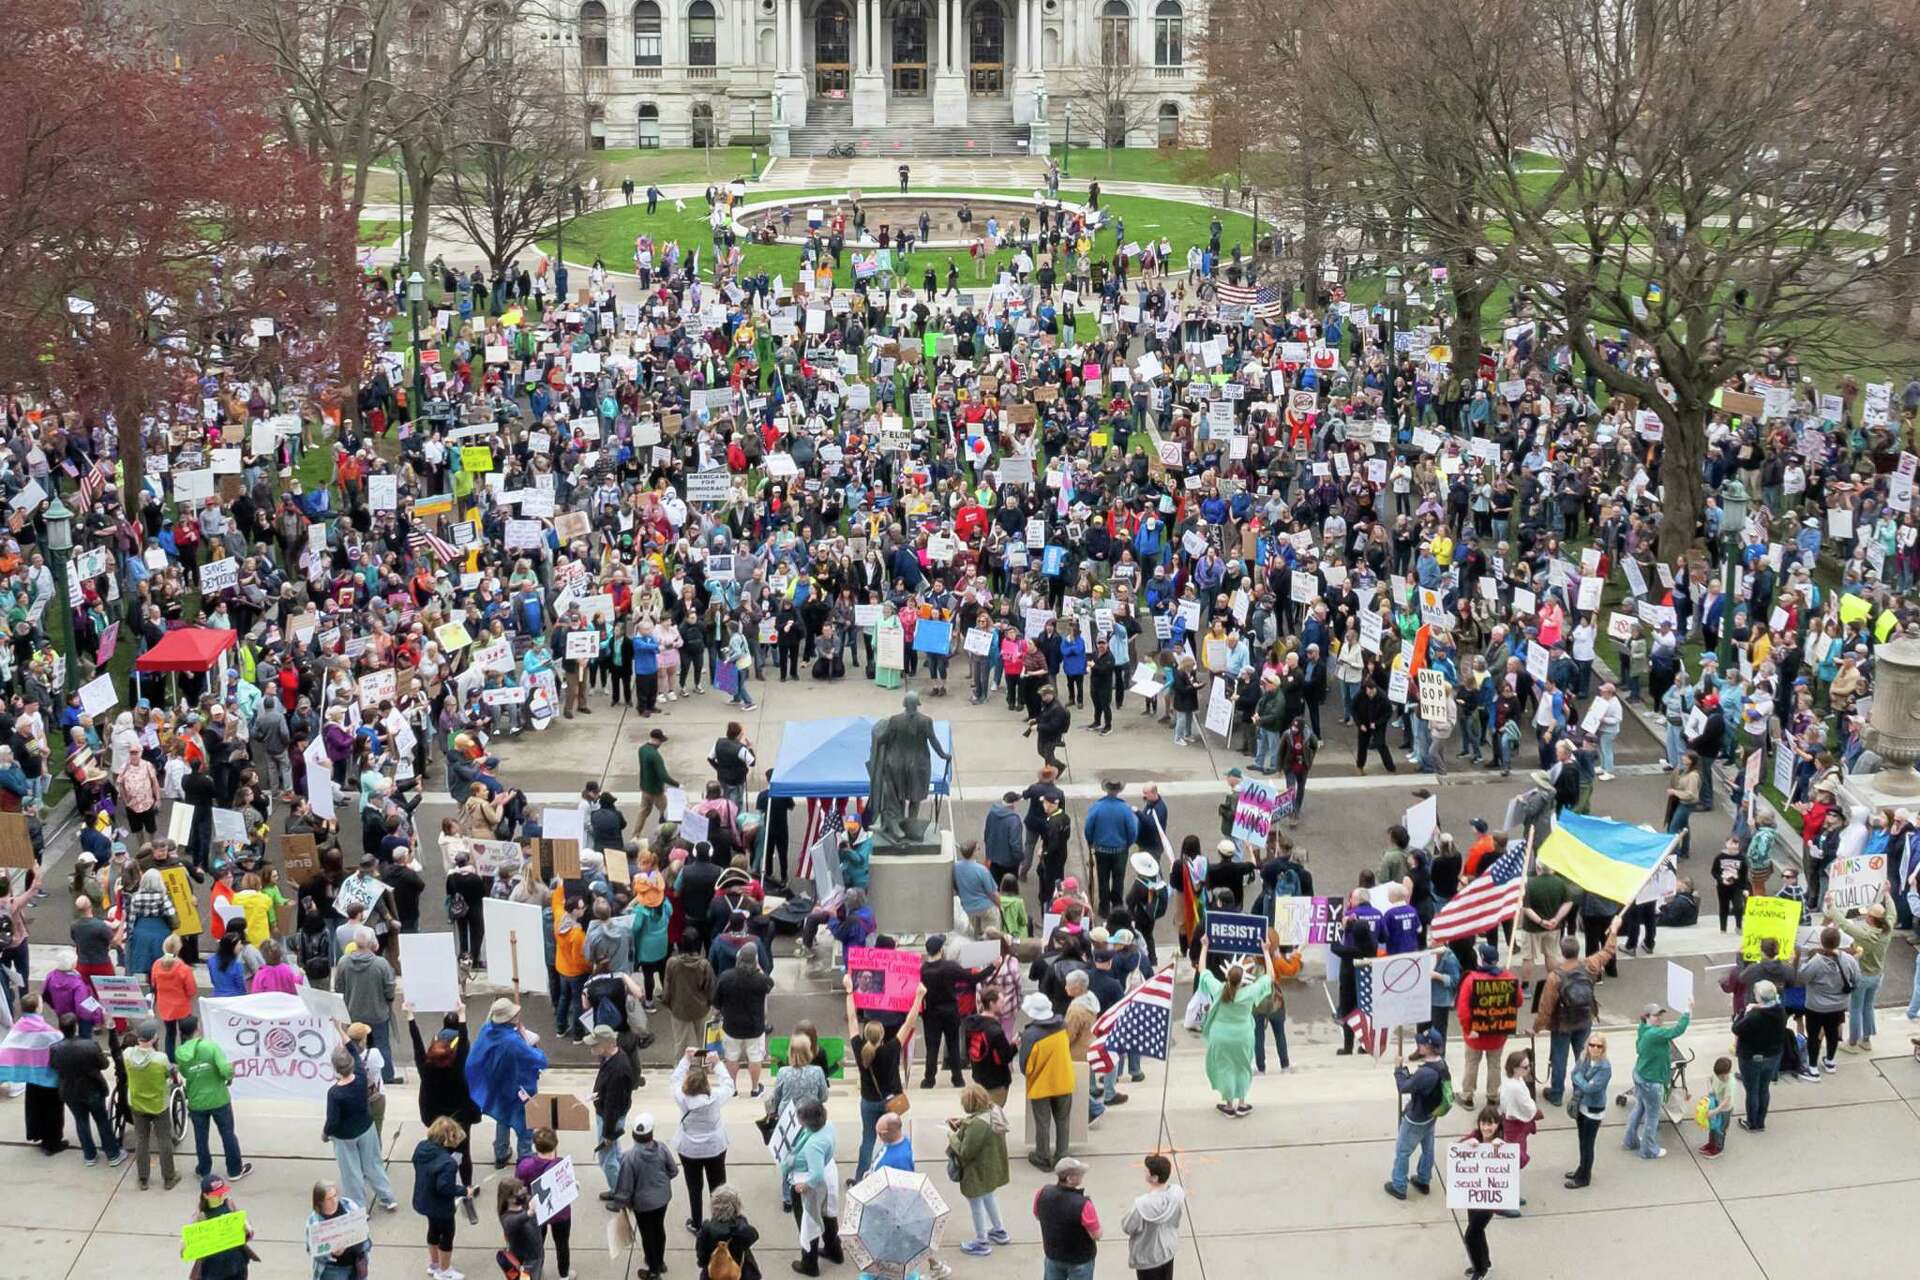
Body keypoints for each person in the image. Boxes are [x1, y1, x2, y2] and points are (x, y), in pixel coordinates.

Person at [1534, 921, 1617, 1106]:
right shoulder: (1590, 965)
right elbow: (1608, 951)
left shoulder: (1555, 976)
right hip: (1584, 1019)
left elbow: (1545, 1007)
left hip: (1562, 1024)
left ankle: (1556, 1093)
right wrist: (1614, 930)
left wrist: (1537, 1028)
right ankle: (1579, 1090)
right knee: (1583, 1056)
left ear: (1562, 952)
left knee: (1559, 1058)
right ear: (1578, 950)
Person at [1194, 931, 1275, 1115]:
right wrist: (1266, 951)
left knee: (1225, 1067)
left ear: (1227, 976)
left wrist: (1205, 946)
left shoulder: (1218, 989)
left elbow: (1202, 971)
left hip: (1220, 1036)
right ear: (1243, 979)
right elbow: (1270, 976)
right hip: (1242, 1035)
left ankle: (1229, 1104)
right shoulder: (1250, 993)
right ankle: (1242, 1102)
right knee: (1243, 1067)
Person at [466, 998, 548, 1167]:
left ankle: (501, 1152)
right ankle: (524, 1156)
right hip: (519, 1086)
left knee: (503, 1118)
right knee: (525, 1122)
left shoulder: (487, 1029)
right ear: (509, 1017)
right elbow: (538, 1059)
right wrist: (527, 1038)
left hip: (498, 1085)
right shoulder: (512, 1041)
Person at [405, 1004, 482, 1184]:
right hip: (460, 1117)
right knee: (464, 1152)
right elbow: (463, 1043)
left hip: (434, 1118)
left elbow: (417, 1044)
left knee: (439, 1151)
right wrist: (462, 1014)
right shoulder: (457, 1068)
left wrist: (410, 1016)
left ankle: (444, 1182)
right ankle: (467, 1186)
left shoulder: (425, 1069)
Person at [174, 1014, 253, 1182]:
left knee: (201, 1138)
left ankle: (203, 1169)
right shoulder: (210, 1047)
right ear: (197, 1028)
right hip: (219, 1099)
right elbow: (225, 1070)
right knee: (228, 1134)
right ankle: (234, 1170)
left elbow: (185, 1073)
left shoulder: (180, 1052)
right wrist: (229, 1073)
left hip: (196, 1101)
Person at [323, 1045, 398, 1211]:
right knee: (373, 1164)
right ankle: (387, 1197)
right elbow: (356, 1054)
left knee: (352, 1173)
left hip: (345, 1136)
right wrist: (341, 1030)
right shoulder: (361, 1078)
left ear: (335, 1067)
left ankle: (359, 1207)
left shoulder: (335, 1093)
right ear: (352, 1064)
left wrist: (325, 1133)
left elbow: (333, 1120)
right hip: (366, 1127)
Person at [671, 1046, 736, 1232]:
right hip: (715, 1148)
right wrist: (717, 1063)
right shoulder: (715, 1097)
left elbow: (674, 1080)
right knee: (718, 1186)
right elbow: (729, 1085)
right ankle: (721, 1222)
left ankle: (697, 1222)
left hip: (689, 1149)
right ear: (706, 1084)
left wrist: (685, 1059)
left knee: (694, 1187)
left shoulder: (681, 1098)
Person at [49, 1013, 124, 1167]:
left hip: (70, 1092)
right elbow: (105, 1065)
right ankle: (112, 1154)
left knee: (81, 1122)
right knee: (102, 1121)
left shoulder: (55, 1049)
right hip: (93, 1090)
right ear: (76, 1027)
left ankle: (89, 1155)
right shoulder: (90, 1045)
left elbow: (54, 1066)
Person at [1383, 1028, 1449, 1199]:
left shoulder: (1425, 1072)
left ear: (1428, 1047)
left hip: (1416, 1119)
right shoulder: (1441, 1064)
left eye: (1421, 1043)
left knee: (1403, 1152)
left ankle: (1399, 1186)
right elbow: (1416, 1083)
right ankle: (1423, 1179)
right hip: (1431, 1115)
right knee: (1428, 1149)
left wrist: (1398, 1069)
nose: (1418, 1045)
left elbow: (1403, 1087)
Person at [946, 1083, 1012, 1255]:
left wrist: (952, 1137)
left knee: (975, 1203)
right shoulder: (994, 1112)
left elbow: (965, 1152)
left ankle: (981, 1241)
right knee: (989, 1196)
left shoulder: (977, 1125)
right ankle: (999, 1230)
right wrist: (963, 1124)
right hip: (991, 1167)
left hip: (977, 1171)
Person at [781, 1100, 844, 1276]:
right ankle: (834, 1251)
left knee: (808, 1222)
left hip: (812, 1182)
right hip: (829, 1171)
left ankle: (809, 1264)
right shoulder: (828, 1126)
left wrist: (804, 1185)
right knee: (828, 1214)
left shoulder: (813, 1144)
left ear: (805, 1121)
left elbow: (816, 1175)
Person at [614, 1113, 680, 1280]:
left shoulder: (629, 1157)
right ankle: (660, 1262)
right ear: (651, 1133)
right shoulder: (662, 1149)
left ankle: (653, 1271)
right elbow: (673, 1171)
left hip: (642, 1205)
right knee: (659, 1229)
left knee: (647, 1234)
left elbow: (625, 1186)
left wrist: (621, 1203)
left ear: (634, 1135)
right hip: (662, 1199)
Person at [1622, 1001, 1690, 1159]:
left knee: (1640, 1107)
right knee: (1652, 1116)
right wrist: (1687, 1012)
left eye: (1660, 1014)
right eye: (1655, 1015)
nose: (1659, 1018)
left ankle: (1630, 1140)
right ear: (1646, 1017)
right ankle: (1648, 1149)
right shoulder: (1654, 1033)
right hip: (1651, 1081)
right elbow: (1677, 1030)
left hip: (1640, 1074)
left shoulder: (1643, 1029)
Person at [1826, 896, 1892, 1052]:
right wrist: (1888, 896)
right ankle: (1866, 1040)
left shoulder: (1865, 935)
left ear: (1870, 918)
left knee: (1855, 1009)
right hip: (1877, 975)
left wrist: (1831, 905)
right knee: (1868, 1007)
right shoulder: (1887, 930)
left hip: (1862, 976)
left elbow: (1843, 924)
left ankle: (1853, 1042)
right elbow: (1892, 913)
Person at [410, 1116, 471, 1280]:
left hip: (424, 1198)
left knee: (433, 1230)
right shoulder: (447, 1163)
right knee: (447, 1234)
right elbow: (445, 1187)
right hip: (441, 1206)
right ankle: (444, 1271)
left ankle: (434, 1264)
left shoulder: (421, 1147)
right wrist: (464, 1191)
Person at [1018, 992, 1074, 1169]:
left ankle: (1042, 1156)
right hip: (1064, 1080)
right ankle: (1062, 1154)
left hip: (1041, 1084)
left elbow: (1024, 1065)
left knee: (1043, 1122)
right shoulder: (1063, 1026)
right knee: (1063, 1120)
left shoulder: (1030, 1034)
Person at [1797, 925, 1860, 1074]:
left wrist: (1801, 960)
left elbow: (1802, 978)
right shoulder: (1849, 960)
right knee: (1832, 1034)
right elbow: (1857, 980)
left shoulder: (1816, 962)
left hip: (1815, 1007)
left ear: (1821, 942)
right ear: (1839, 942)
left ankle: (1812, 1067)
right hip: (1838, 1006)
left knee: (1813, 1036)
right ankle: (1830, 1061)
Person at [125, 1018, 178, 1189]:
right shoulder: (160, 1058)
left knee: (141, 1140)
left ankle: (143, 1178)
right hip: (158, 1104)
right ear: (154, 1038)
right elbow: (170, 1074)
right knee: (164, 1139)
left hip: (137, 1103)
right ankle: (169, 1177)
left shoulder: (127, 1055)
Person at [516, 1128, 574, 1280]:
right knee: (562, 1244)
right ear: (555, 1145)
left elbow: (519, 1189)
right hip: (561, 1213)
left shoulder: (525, 1166)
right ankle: (564, 1275)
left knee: (536, 1245)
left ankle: (536, 1271)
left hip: (536, 1213)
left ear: (534, 1146)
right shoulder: (560, 1164)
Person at [1455, 1106, 1506, 1279]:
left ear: (1498, 1125)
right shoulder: (1475, 1137)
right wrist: (1466, 1144)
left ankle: (1480, 1270)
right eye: (1483, 1124)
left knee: (1470, 1235)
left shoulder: (1501, 1143)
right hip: (1472, 1196)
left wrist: (1503, 1147)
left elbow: (1520, 1159)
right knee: (1478, 1231)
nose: (1486, 1128)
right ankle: (1486, 1263)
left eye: (1490, 1124)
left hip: (1489, 1199)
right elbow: (1456, 1150)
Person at [1731, 979, 1787, 1132]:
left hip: (1752, 1057)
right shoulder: (1779, 1010)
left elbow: (1736, 1028)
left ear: (1759, 997)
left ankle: (1752, 1122)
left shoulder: (1755, 1016)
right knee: (1764, 1088)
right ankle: (1760, 1121)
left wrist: (1745, 1012)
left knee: (1752, 1090)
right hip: (1773, 1055)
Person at [1034, 1157, 1101, 1280]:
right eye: (1079, 1174)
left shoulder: (1043, 1193)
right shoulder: (1083, 1205)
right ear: (1070, 1179)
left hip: (1053, 1256)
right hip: (1080, 1260)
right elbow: (1096, 1235)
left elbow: (1037, 1215)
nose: (1082, 1175)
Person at [1120, 1153, 1184, 1280]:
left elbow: (1127, 1227)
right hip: (1167, 1252)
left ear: (1154, 1178)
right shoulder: (1177, 1194)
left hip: (1148, 1258)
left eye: (1146, 1171)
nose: (1144, 1172)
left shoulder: (1142, 1204)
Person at [189, 1173, 259, 1279]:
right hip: (214, 1265)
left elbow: (241, 1219)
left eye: (222, 1192)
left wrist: (247, 1228)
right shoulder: (201, 1215)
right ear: (206, 1195)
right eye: (217, 1194)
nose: (221, 1196)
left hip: (236, 1260)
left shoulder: (229, 1203)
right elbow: (192, 1240)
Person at [1564, 1036, 1612, 1189]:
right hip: (1581, 1106)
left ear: (1603, 1049)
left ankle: (1584, 1177)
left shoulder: (1604, 1067)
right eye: (1592, 1045)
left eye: (1599, 1046)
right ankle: (1581, 1169)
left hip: (1594, 1110)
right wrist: (1582, 1081)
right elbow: (1573, 1074)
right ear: (1587, 1046)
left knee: (1588, 1144)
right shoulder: (1584, 1058)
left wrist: (1580, 1079)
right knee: (1581, 1142)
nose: (1595, 1048)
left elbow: (1591, 1088)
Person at [694, 1184, 761, 1280]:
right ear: (736, 1207)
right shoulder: (741, 1227)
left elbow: (702, 1258)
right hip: (739, 1273)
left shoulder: (706, 1229)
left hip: (714, 1275)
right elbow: (754, 1236)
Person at [309, 1180, 374, 1280]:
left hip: (357, 1263)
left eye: (335, 1195)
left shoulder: (348, 1204)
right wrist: (330, 1252)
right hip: (334, 1269)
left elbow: (363, 1230)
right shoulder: (314, 1221)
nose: (334, 1201)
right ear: (320, 1202)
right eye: (329, 1198)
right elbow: (312, 1249)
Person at [497, 1175, 545, 1280]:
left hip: (536, 1251)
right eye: (518, 1191)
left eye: (520, 1188)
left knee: (537, 1272)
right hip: (527, 1261)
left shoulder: (523, 1202)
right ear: (508, 1198)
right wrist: (529, 1213)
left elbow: (540, 1198)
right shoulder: (508, 1219)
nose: (522, 1192)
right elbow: (517, 1220)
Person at [1700, 1055, 1736, 1158]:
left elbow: (1726, 1101)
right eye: (1719, 1076)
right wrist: (1710, 1089)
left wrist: (1715, 1111)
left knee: (1720, 1129)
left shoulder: (1730, 1083)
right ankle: (1711, 1144)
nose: (1720, 1078)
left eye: (1722, 1076)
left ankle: (1718, 1148)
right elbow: (1708, 1078)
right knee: (1713, 1126)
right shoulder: (1717, 1074)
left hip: (1724, 1109)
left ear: (1728, 1072)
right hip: (1715, 1103)